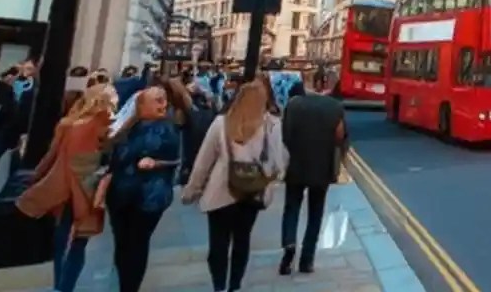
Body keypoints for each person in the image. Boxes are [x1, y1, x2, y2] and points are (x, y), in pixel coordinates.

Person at [183, 80, 287, 292]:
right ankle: (235, 286)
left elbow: (203, 162)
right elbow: (280, 163)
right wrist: (268, 179)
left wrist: (192, 191)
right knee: (242, 240)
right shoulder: (273, 126)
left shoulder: (221, 123)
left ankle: (219, 286)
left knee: (218, 244)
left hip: (221, 191)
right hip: (253, 193)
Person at [16, 84, 115, 292]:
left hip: (64, 185)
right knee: (79, 242)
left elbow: (51, 155)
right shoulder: (104, 124)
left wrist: (37, 175)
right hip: (88, 188)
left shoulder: (68, 124)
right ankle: (65, 286)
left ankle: (59, 285)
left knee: (62, 238)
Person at [106, 86, 181, 292]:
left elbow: (176, 160)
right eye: (157, 100)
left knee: (137, 242)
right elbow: (113, 156)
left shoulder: (168, 128)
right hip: (120, 194)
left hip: (150, 196)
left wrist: (156, 163)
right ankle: (124, 282)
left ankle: (130, 287)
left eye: (164, 100)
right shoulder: (127, 126)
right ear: (142, 104)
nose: (162, 105)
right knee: (122, 242)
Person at [280, 81, 347, 274]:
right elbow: (340, 138)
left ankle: (289, 244)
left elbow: (285, 136)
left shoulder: (293, 105)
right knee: (315, 214)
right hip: (322, 169)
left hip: (296, 166)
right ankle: (306, 261)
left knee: (291, 208)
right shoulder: (335, 107)